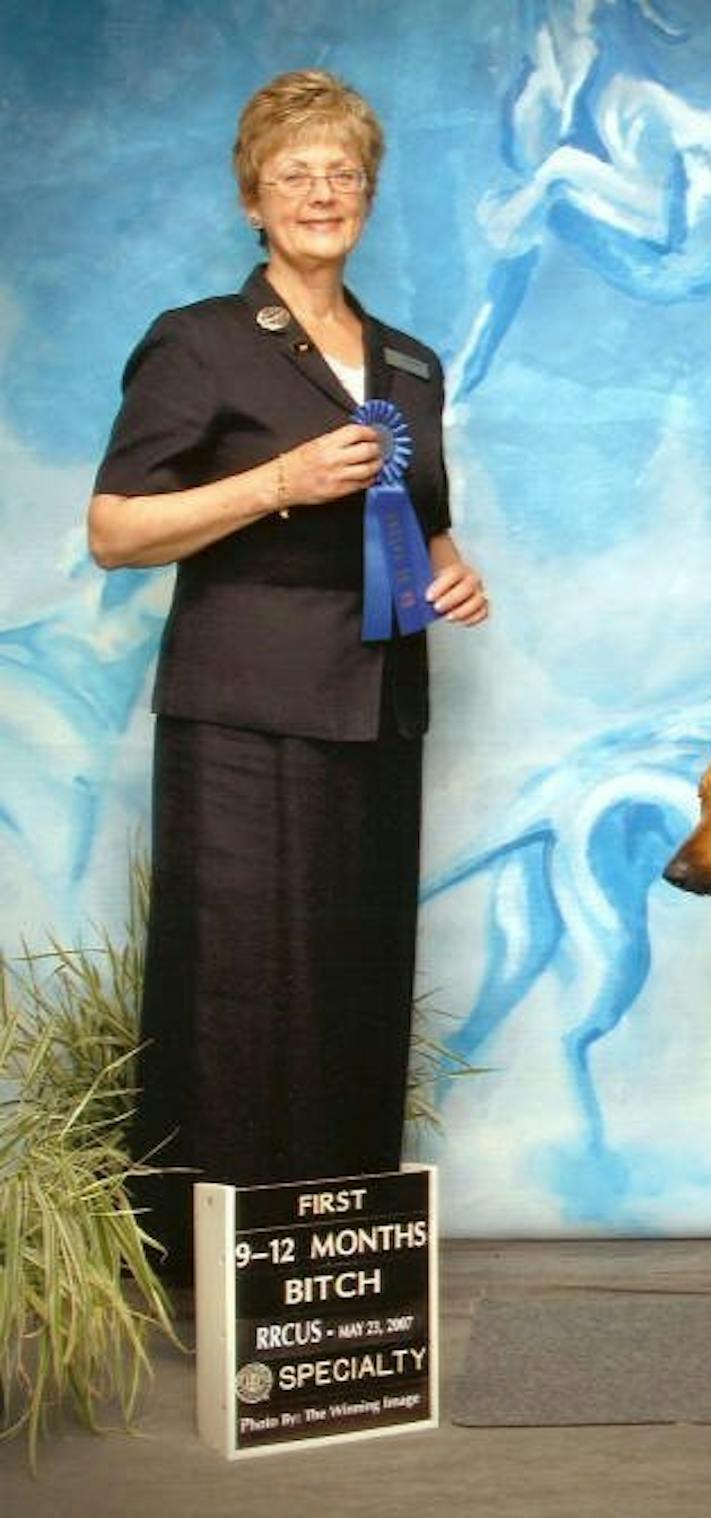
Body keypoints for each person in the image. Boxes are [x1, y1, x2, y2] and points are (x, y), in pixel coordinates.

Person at [88, 70, 488, 1286]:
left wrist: (451, 575)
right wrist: (275, 482)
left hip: (380, 708)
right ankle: (212, 1273)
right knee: (243, 995)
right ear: (254, 200)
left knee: (355, 987)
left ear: (370, 195)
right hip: (244, 713)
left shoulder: (411, 361)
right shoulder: (201, 340)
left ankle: (336, 1273)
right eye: (295, 174)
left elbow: (426, 524)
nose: (322, 192)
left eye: (344, 174)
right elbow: (114, 529)